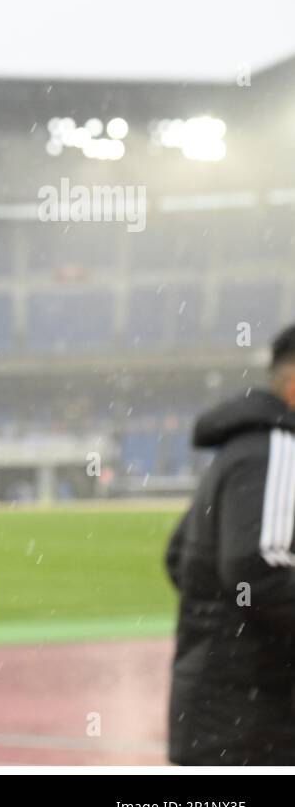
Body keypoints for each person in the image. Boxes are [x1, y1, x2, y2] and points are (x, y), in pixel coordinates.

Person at [167, 323, 295, 764]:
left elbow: (177, 557)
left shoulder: (241, 450)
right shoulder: (278, 448)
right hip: (257, 724)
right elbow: (258, 568)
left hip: (221, 717)